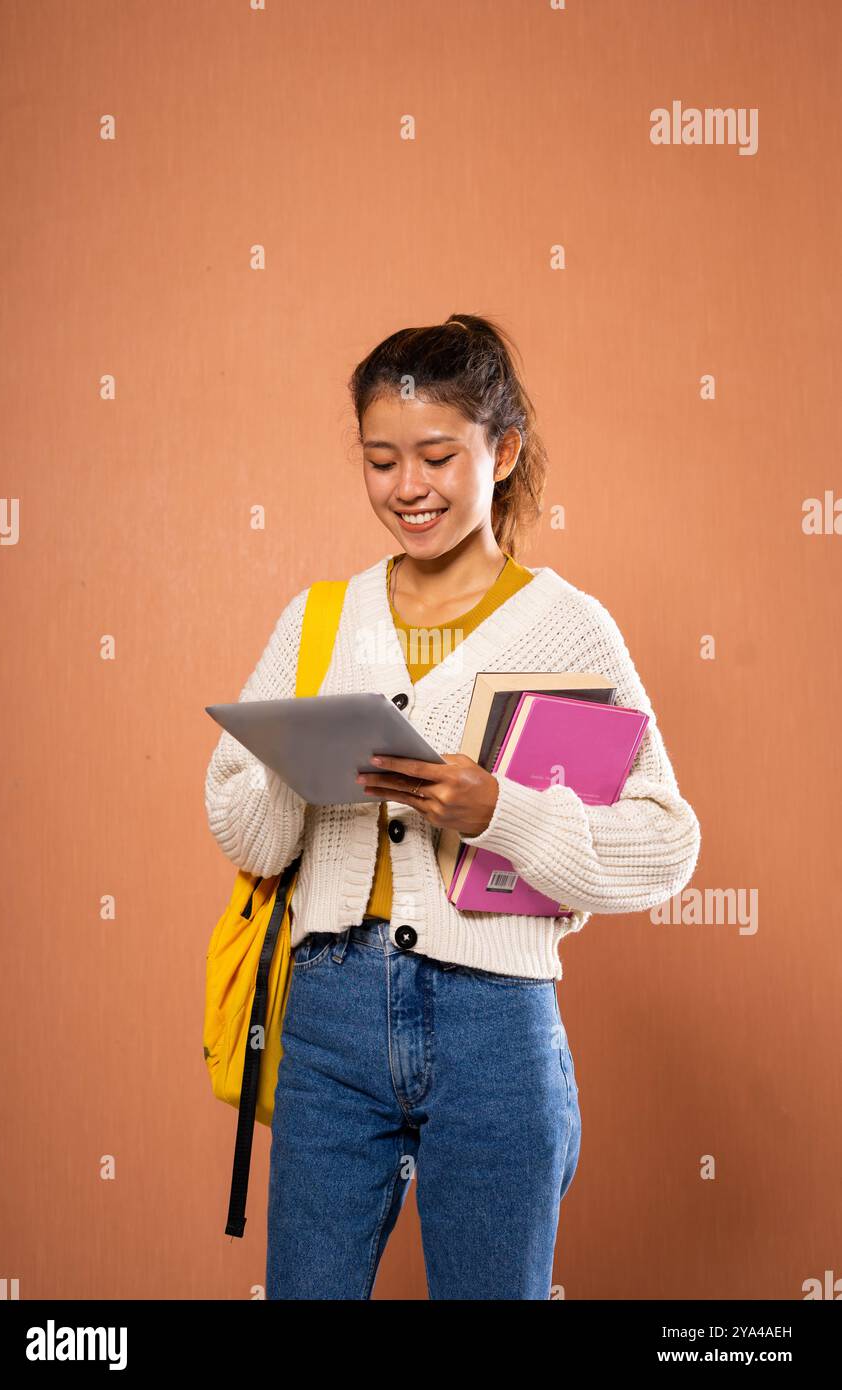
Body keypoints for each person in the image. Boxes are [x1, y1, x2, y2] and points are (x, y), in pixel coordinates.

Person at [204, 312, 701, 1300]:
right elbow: (245, 829)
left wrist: (493, 810)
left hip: (494, 1019)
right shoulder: (317, 621)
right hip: (329, 1009)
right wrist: (288, 764)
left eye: (435, 455)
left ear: (501, 450)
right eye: (380, 459)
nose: (406, 488)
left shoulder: (567, 627)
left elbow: (665, 844)